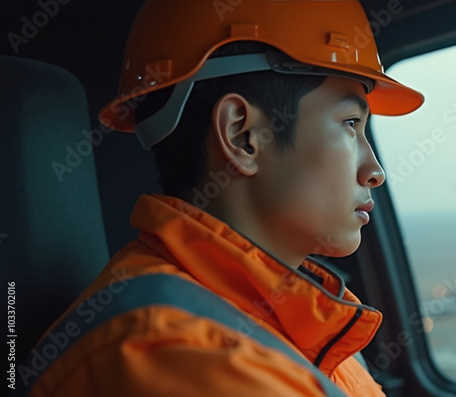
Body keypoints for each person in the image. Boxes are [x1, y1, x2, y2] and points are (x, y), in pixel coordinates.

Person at [18, 0, 423, 396]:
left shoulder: (298, 325)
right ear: (242, 136)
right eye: (350, 123)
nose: (375, 170)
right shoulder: (184, 357)